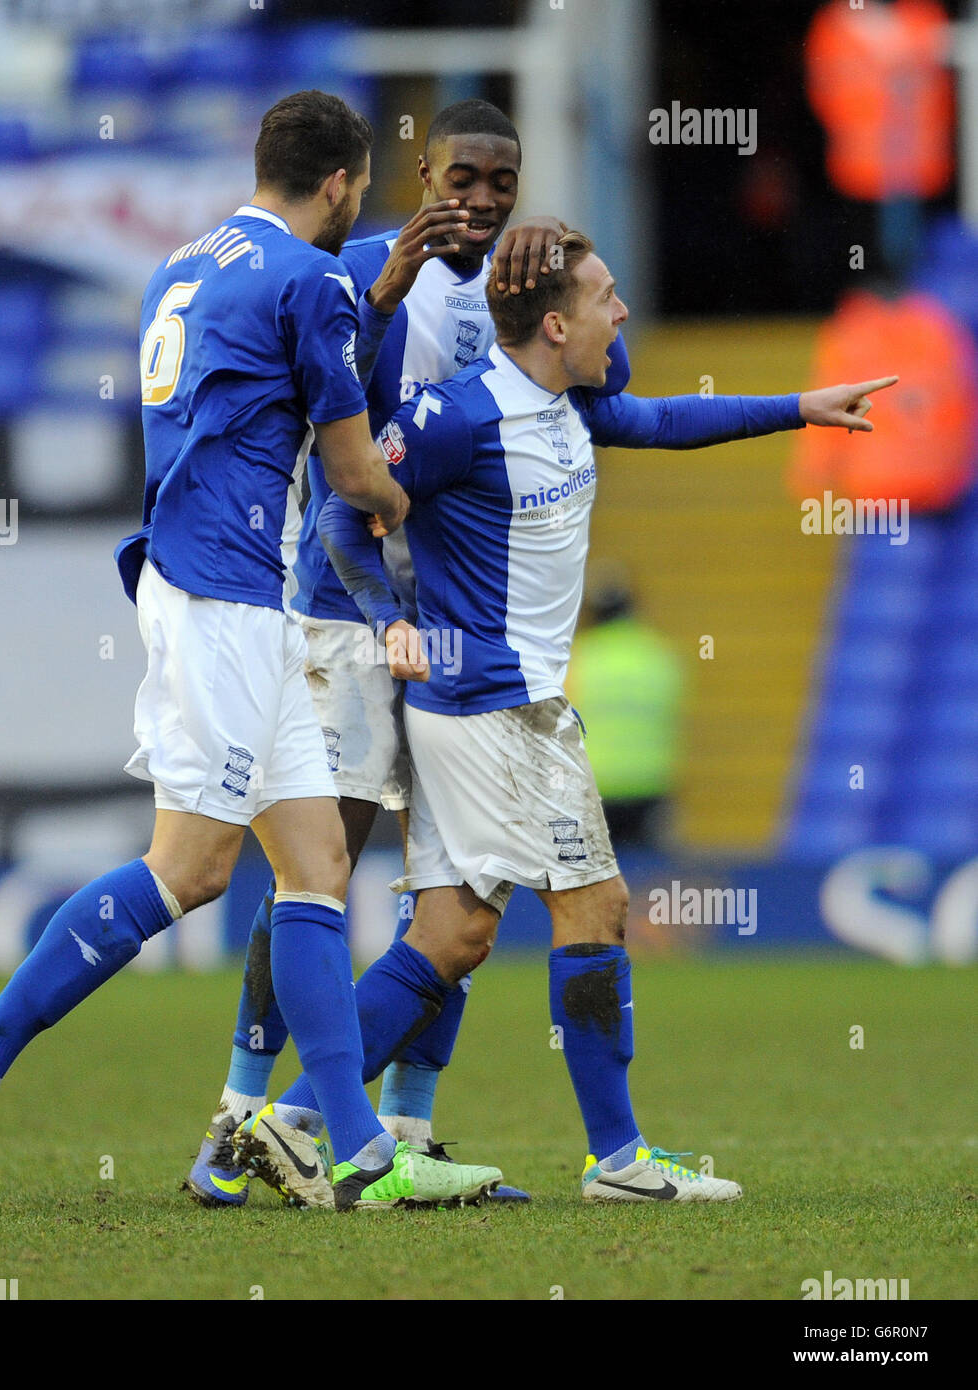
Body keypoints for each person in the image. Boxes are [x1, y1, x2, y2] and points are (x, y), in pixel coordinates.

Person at [0, 90, 501, 1216]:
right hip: (219, 595)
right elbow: (356, 470)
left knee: (316, 864)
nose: (355, 208)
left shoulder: (184, 262)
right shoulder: (312, 278)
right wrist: (447, 488)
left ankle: (359, 1150)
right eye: (358, 192)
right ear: (340, 185)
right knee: (192, 869)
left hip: (228, 594)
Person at [284, 229, 895, 1204]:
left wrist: (798, 409)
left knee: (453, 933)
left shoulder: (571, 405)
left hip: (503, 708)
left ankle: (292, 1123)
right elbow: (340, 511)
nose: (623, 313)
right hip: (497, 710)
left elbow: (664, 420)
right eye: (607, 297)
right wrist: (392, 620)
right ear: (557, 322)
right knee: (596, 906)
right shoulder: (462, 414)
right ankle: (617, 1159)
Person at [185, 99, 630, 1208]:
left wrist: (564, 256)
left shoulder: (522, 285)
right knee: (316, 872)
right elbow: (318, 402)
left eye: (503, 183)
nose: (480, 200)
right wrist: (381, 303)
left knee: (454, 884)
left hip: (458, 634)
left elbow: (608, 382)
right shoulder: (366, 266)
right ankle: (240, 1117)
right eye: (461, 177)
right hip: (346, 612)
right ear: (421, 172)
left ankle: (408, 1127)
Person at [564, 581, 683, 850]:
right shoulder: (660, 656)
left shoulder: (577, 658)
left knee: (595, 881)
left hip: (591, 788)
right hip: (649, 783)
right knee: (644, 877)